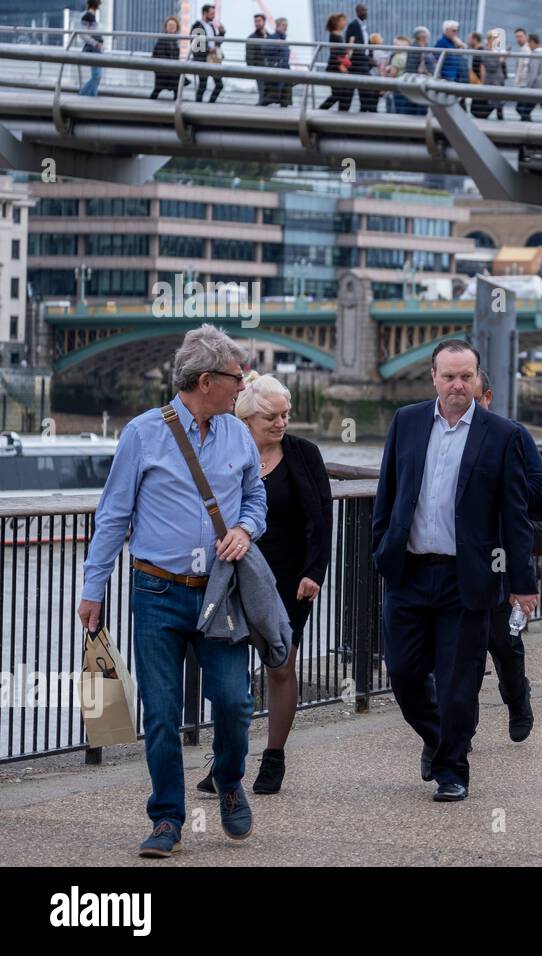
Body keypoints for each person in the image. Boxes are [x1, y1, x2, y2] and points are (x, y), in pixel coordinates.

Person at [77, 325, 266, 858]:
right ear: (206, 380)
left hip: (220, 594)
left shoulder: (237, 434)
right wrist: (94, 588)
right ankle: (166, 819)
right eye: (236, 376)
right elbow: (113, 516)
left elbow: (256, 499)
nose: (242, 385)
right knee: (159, 713)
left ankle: (229, 781)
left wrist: (245, 528)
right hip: (156, 591)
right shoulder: (142, 433)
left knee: (232, 701)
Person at [371, 340, 538, 803]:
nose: (458, 384)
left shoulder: (501, 435)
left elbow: (515, 514)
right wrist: (380, 546)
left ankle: (452, 768)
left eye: (466, 376)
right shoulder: (406, 422)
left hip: (467, 579)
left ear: (478, 379)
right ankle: (437, 737)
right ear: (434, 378)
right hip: (407, 573)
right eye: (449, 376)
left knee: (458, 686)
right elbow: (387, 492)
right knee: (403, 675)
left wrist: (522, 582)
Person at [195, 373, 330, 796]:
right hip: (235, 575)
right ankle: (226, 759)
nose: (281, 422)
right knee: (227, 674)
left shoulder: (304, 455)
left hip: (290, 580)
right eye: (272, 416)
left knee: (281, 665)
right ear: (247, 418)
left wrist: (315, 573)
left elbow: (320, 521)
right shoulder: (227, 452)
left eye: (286, 414)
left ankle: (273, 757)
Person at [473, 370, 542, 742]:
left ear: (488, 398)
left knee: (503, 642)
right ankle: (461, 729)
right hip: (459, 556)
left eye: (476, 400)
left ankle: (518, 699)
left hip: (503, 552)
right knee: (463, 647)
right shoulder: (438, 436)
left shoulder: (512, 434)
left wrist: (497, 482)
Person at [190, 4, 226, 104]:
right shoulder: (197, 26)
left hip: (213, 59)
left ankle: (210, 104)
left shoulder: (211, 26)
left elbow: (217, 44)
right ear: (205, 13)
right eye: (212, 14)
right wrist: (208, 50)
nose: (213, 16)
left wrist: (222, 33)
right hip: (202, 60)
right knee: (203, 85)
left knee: (219, 85)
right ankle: (198, 106)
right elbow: (195, 46)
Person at [345, 5, 378, 112]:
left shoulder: (364, 26)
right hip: (357, 64)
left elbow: (368, 44)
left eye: (366, 10)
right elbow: (352, 45)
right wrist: (368, 59)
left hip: (364, 64)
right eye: (363, 10)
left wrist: (370, 58)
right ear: (357, 11)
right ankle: (368, 114)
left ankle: (364, 114)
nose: (366, 12)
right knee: (367, 92)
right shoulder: (353, 25)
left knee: (364, 93)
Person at [317, 14, 352, 111]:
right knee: (338, 94)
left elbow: (341, 53)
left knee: (344, 93)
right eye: (343, 20)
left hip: (337, 68)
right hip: (335, 69)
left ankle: (342, 114)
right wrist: (340, 66)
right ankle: (320, 110)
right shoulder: (335, 36)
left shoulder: (338, 36)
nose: (345, 23)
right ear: (337, 22)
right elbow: (335, 54)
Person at [396, 28, 434, 116]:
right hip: (416, 83)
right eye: (427, 37)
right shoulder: (416, 48)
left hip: (418, 83)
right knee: (413, 107)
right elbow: (411, 67)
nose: (428, 40)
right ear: (422, 37)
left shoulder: (420, 47)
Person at [149, 16, 183, 101]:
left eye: (174, 26)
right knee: (158, 89)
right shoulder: (162, 40)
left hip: (172, 72)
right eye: (170, 26)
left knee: (176, 89)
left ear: (176, 28)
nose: (172, 28)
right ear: (166, 27)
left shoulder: (174, 41)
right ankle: (149, 105)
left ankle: (176, 106)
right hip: (163, 72)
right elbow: (159, 56)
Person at [77, 1, 104, 97]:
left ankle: (92, 96)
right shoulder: (87, 16)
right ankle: (81, 95)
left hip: (97, 49)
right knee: (97, 75)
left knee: (97, 76)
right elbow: (82, 34)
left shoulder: (92, 16)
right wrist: (96, 44)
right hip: (94, 49)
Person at [267, 17, 293, 107]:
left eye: (286, 25)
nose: (285, 27)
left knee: (285, 98)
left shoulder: (284, 39)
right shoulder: (273, 37)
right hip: (277, 70)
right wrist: (277, 45)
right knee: (274, 97)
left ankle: (284, 117)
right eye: (283, 25)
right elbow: (265, 51)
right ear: (277, 26)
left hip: (285, 70)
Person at [247, 13, 270, 106]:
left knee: (269, 88)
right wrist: (252, 69)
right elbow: (249, 56)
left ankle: (264, 105)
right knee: (262, 88)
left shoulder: (270, 36)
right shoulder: (251, 38)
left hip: (270, 68)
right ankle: (261, 107)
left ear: (264, 22)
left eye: (259, 21)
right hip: (259, 68)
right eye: (255, 21)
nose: (257, 23)